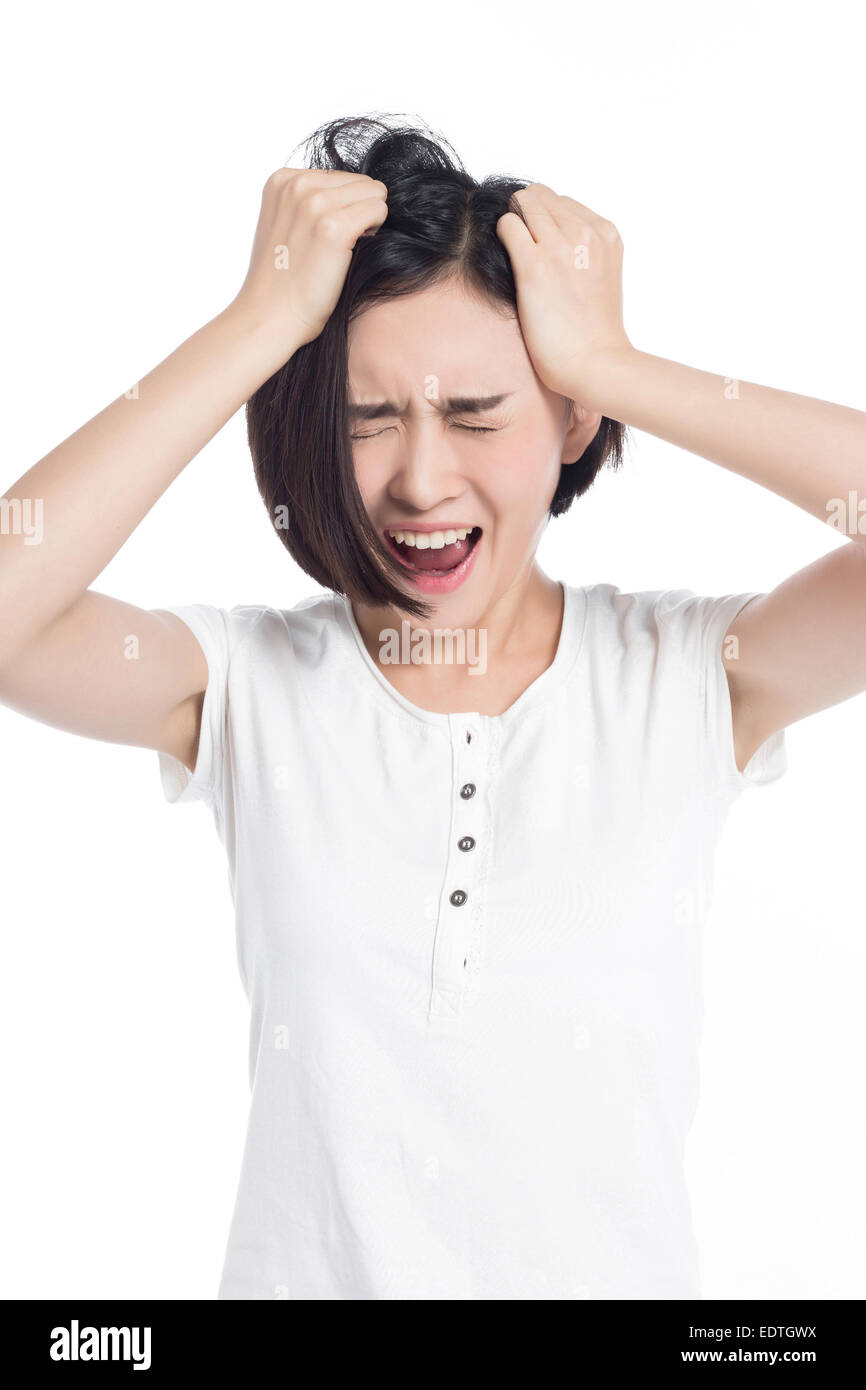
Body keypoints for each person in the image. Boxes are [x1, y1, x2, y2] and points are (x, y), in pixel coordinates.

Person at [2, 113, 864, 1301]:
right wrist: (256, 325)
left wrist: (613, 367)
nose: (418, 479)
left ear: (564, 420)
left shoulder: (685, 677)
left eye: (473, 415)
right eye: (367, 418)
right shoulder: (243, 687)